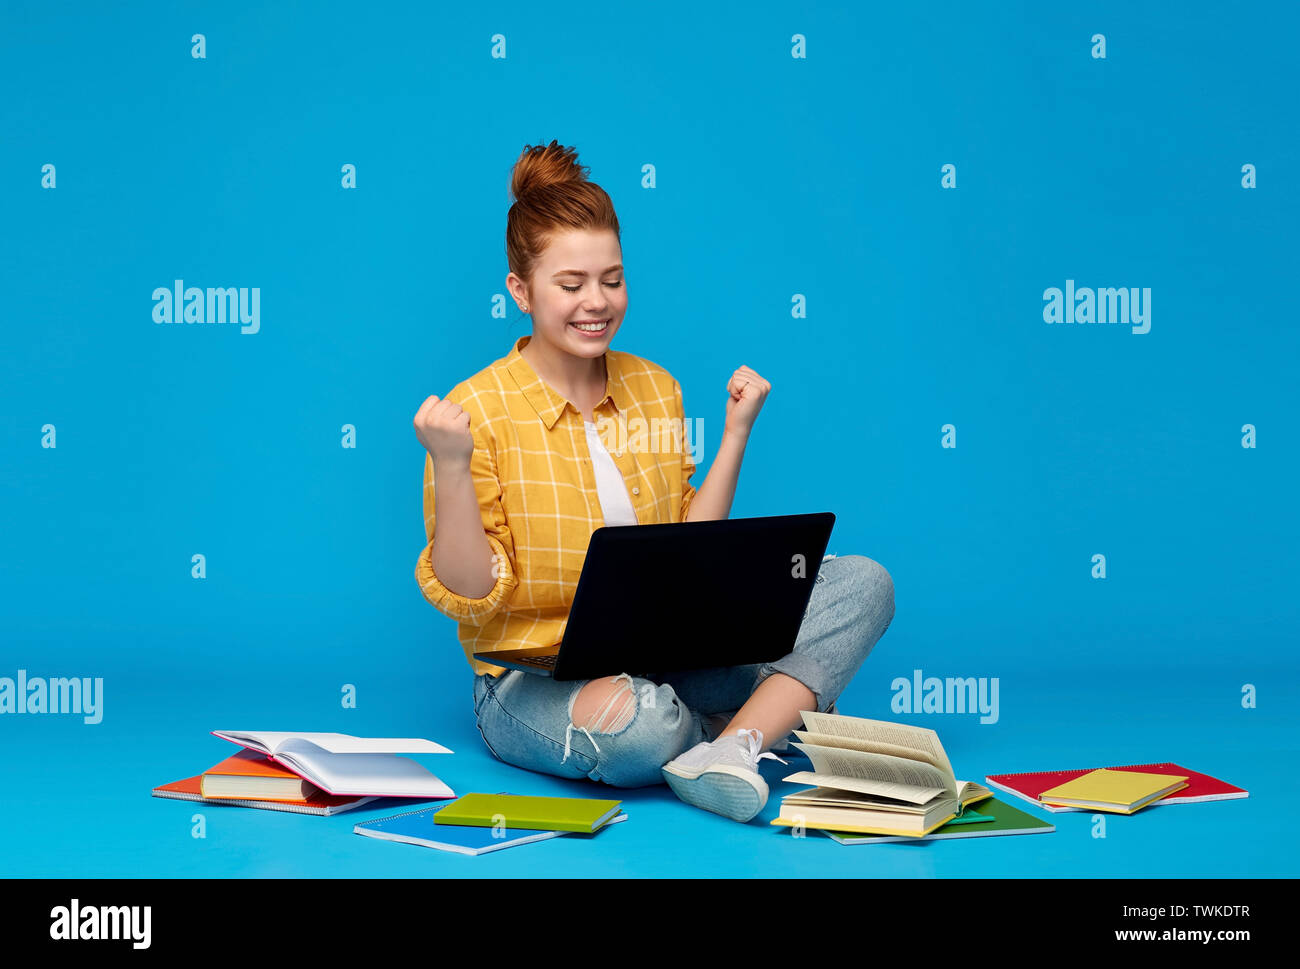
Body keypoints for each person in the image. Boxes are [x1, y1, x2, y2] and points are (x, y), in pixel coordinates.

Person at [413, 139, 895, 822]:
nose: (597, 302)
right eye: (571, 284)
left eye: (612, 279)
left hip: (667, 657)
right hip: (531, 679)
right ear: (520, 291)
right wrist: (451, 465)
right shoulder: (478, 412)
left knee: (863, 582)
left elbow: (693, 559)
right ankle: (763, 723)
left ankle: (731, 746)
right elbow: (468, 591)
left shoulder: (654, 389)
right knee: (644, 726)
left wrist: (735, 435)